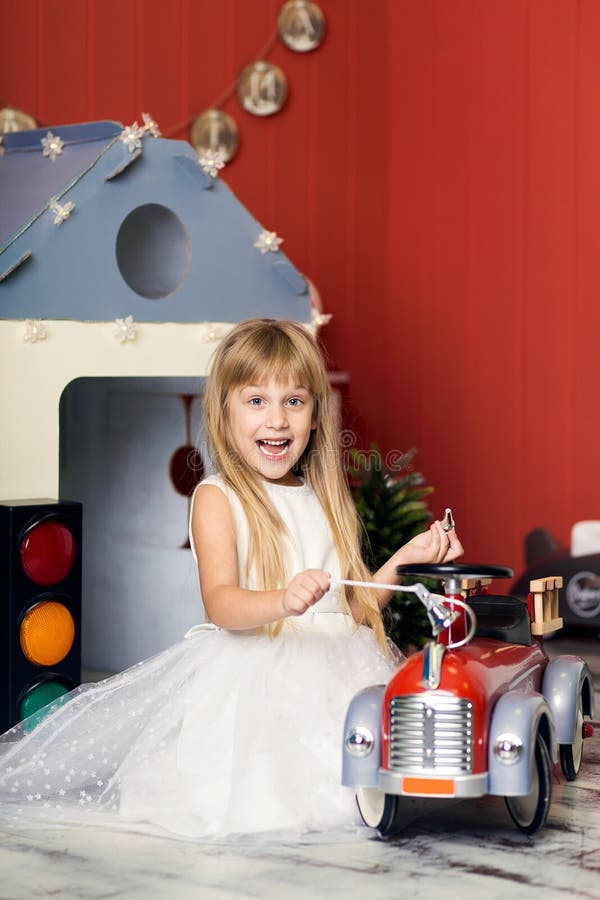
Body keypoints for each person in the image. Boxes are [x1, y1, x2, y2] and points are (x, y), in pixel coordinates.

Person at [0, 319, 463, 841]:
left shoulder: (325, 497)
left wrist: (406, 557)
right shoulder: (219, 498)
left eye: (294, 401)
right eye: (256, 400)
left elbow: (351, 610)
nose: (278, 419)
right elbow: (221, 604)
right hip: (256, 672)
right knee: (274, 794)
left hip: (337, 667)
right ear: (225, 411)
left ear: (316, 415)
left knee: (365, 780)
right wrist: (282, 600)